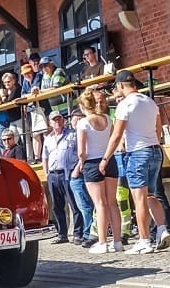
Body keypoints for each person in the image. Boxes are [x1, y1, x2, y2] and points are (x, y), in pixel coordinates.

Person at [100, 70, 170, 254]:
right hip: (155, 151)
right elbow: (158, 131)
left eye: (116, 86)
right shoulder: (149, 101)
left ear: (121, 85)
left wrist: (106, 158)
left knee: (139, 198)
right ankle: (162, 229)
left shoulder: (125, 105)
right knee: (151, 195)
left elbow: (116, 135)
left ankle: (144, 240)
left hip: (137, 153)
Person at [75, 90, 122, 254]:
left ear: (82, 106)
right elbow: (112, 141)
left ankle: (103, 242)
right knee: (112, 203)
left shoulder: (83, 123)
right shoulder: (108, 119)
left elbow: (81, 151)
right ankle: (117, 241)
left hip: (92, 162)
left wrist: (81, 163)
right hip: (109, 160)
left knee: (100, 204)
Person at [41, 111, 82, 245]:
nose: (57, 122)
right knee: (57, 206)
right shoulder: (48, 138)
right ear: (50, 123)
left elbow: (80, 151)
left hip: (68, 172)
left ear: (63, 120)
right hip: (53, 174)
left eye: (59, 119)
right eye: (54, 120)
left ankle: (78, 233)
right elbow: (45, 157)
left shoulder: (72, 134)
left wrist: (77, 168)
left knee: (74, 204)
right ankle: (62, 233)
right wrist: (47, 173)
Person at [67, 108, 97, 249]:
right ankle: (86, 232)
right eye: (72, 118)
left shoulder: (83, 132)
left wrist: (78, 167)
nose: (73, 120)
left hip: (79, 172)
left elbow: (83, 152)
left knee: (85, 206)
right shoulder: (72, 134)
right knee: (80, 206)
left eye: (75, 118)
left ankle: (88, 233)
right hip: (70, 174)